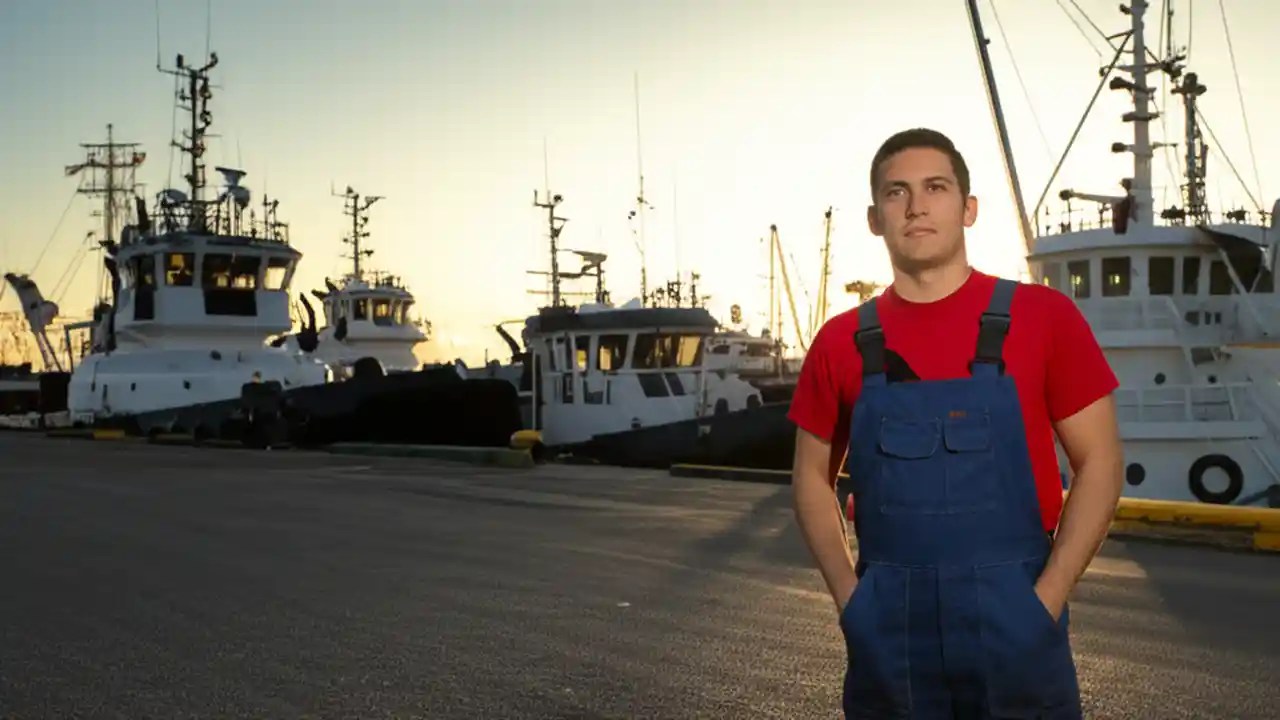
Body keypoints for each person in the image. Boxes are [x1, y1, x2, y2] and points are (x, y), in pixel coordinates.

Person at [788, 127, 1123, 719]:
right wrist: (851, 602)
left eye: (935, 187)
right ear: (874, 217)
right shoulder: (839, 342)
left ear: (968, 208)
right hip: (888, 625)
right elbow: (811, 477)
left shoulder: (1043, 317)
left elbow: (1100, 462)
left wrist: (1046, 599)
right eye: (896, 193)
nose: (916, 206)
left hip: (1016, 614)